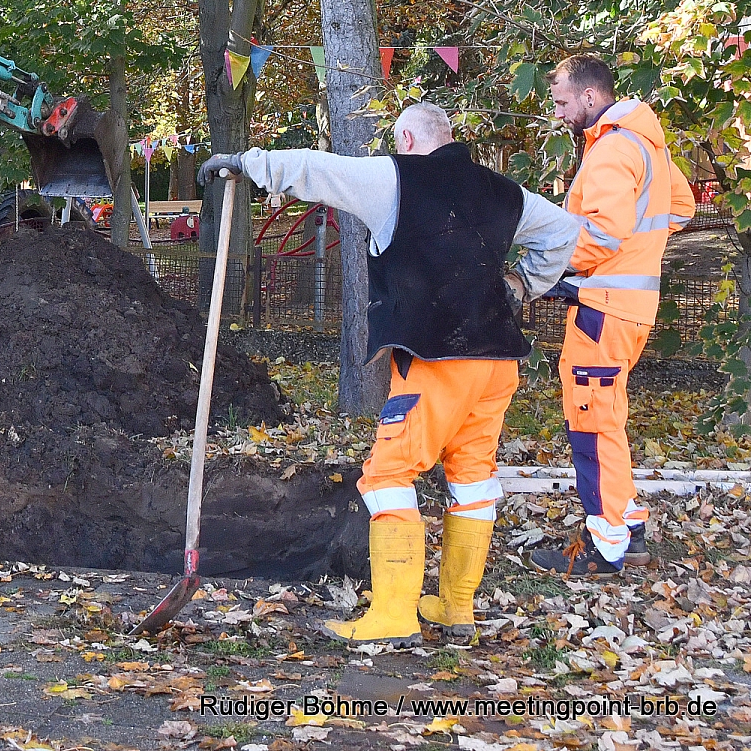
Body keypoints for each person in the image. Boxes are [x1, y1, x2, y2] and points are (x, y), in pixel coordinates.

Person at [198, 103, 577, 645]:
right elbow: (566, 232)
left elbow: (319, 170)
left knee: (388, 475)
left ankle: (395, 614)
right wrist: (524, 287)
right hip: (496, 363)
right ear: (449, 136)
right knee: (472, 477)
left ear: (404, 136)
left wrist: (249, 162)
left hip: (437, 360)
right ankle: (454, 608)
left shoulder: (394, 177)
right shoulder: (502, 191)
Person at [526, 55, 694, 576]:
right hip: (630, 307)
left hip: (602, 308)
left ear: (591, 98)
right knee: (608, 420)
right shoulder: (646, 143)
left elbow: (600, 233)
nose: (557, 114)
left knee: (592, 425)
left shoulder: (612, 150)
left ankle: (608, 545)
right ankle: (629, 525)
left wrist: (553, 270)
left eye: (561, 102)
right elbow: (682, 208)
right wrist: (635, 256)